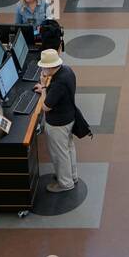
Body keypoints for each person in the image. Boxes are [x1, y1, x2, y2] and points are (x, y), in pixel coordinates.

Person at [33, 49, 78, 192]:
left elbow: (46, 107)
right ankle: (72, 175)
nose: (42, 69)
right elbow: (57, 94)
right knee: (68, 148)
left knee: (59, 153)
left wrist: (44, 87)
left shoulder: (58, 83)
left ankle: (65, 183)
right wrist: (46, 89)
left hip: (58, 123)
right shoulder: (67, 71)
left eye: (43, 66)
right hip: (69, 117)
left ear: (50, 66)